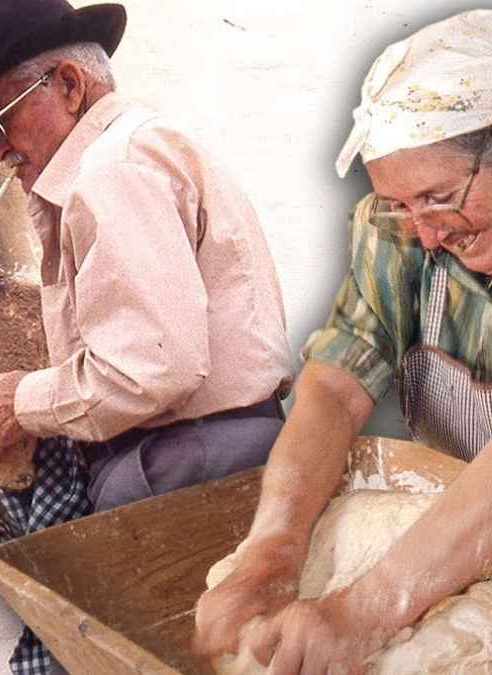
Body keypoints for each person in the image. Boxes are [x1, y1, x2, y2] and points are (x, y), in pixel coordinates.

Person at [0, 1, 293, 672]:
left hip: (185, 464)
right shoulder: (138, 146)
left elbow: (155, 366)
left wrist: (23, 401)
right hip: (218, 453)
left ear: (67, 83)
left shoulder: (111, 170)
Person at [193, 10, 492, 673]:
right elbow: (334, 383)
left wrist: (367, 612)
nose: (427, 233)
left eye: (439, 198)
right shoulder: (402, 230)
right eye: (400, 204)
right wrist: (271, 550)